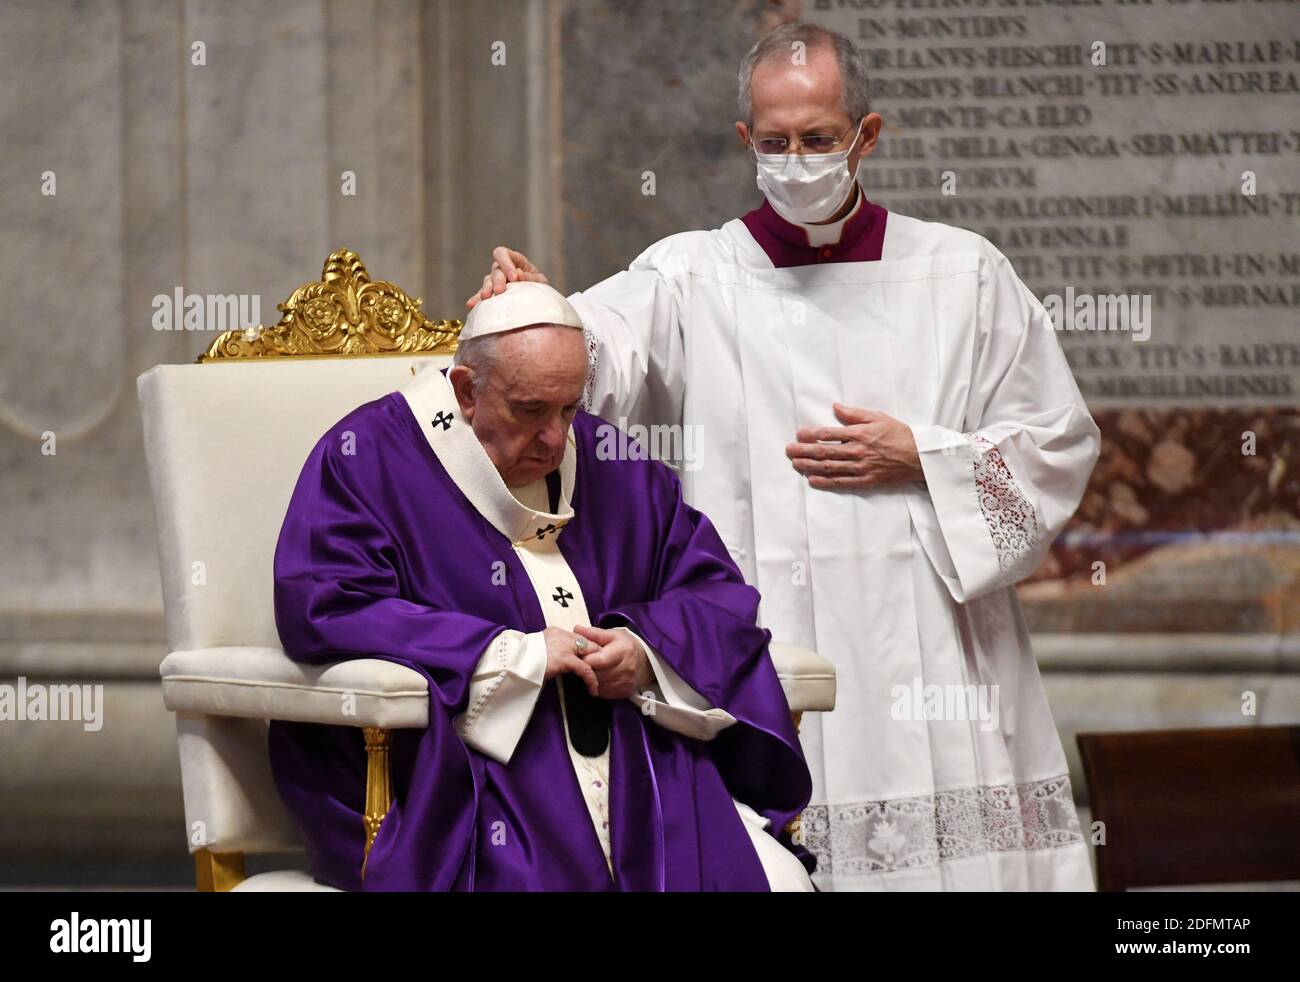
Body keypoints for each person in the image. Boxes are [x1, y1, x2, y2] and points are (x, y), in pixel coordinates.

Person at [468, 22, 1100, 890]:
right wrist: (535, 308)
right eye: (775, 143)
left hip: (932, 643)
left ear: (866, 135)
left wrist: (923, 453)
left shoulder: (964, 274)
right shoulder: (695, 274)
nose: (796, 159)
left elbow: (1056, 443)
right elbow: (600, 344)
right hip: (766, 634)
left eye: (818, 140)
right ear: (745, 142)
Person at [268, 280, 816, 891]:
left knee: (778, 880)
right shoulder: (365, 458)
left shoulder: (613, 461)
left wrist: (644, 655)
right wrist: (514, 654)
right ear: (466, 391)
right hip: (464, 779)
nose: (556, 440)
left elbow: (714, 593)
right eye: (530, 411)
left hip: (642, 772)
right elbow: (324, 603)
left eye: (569, 409)